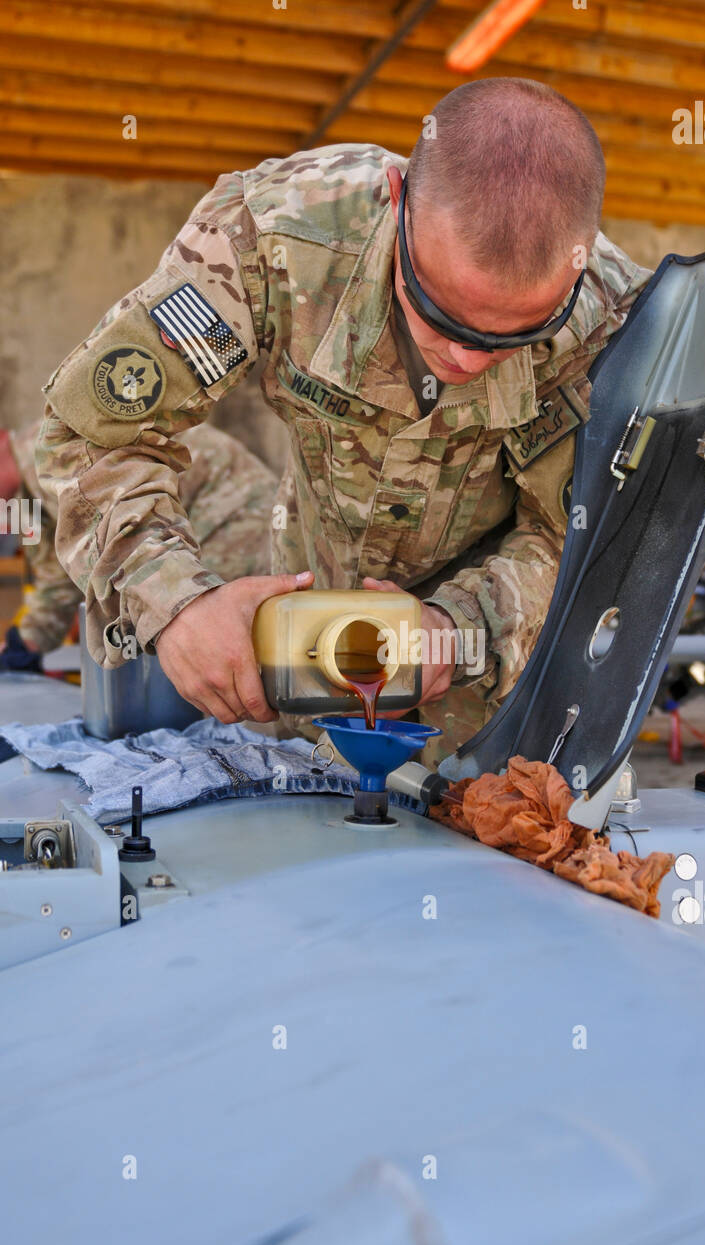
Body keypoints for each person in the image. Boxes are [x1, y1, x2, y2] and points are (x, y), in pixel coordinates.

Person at [35, 77, 651, 762]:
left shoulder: (619, 323)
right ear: (397, 201)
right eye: (439, 313)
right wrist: (174, 601)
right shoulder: (275, 236)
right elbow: (88, 433)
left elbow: (591, 536)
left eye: (513, 336)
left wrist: (463, 627)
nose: (467, 359)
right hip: (299, 656)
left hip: (496, 699)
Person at [1, 421, 275, 665]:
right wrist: (23, 643)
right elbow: (58, 577)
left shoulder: (51, 455)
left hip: (232, 509)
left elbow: (120, 551)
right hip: (192, 520)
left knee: (205, 633)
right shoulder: (26, 497)